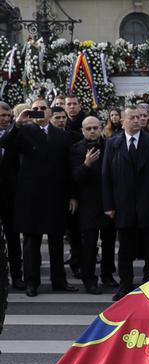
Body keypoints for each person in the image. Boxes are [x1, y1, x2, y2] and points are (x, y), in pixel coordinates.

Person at [1, 97, 78, 296]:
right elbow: (6, 145)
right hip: (30, 196)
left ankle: (59, 280)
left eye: (43, 108)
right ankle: (31, 282)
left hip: (55, 196)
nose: (39, 111)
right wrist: (18, 123)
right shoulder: (23, 132)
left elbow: (68, 167)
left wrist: (71, 195)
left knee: (56, 240)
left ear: (50, 112)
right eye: (35, 109)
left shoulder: (61, 135)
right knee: (31, 242)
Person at [101, 105, 149, 301]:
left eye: (140, 117)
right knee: (125, 249)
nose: (137, 120)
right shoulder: (113, 143)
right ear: (122, 120)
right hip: (123, 205)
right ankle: (125, 285)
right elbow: (106, 176)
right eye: (132, 117)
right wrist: (108, 205)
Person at [69, 116, 116, 294]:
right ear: (82, 130)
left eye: (95, 128)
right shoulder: (76, 149)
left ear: (101, 128)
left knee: (109, 240)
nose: (92, 131)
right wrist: (86, 164)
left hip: (108, 200)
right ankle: (89, 278)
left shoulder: (110, 145)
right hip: (88, 202)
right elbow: (74, 176)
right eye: (88, 128)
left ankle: (107, 274)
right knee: (88, 243)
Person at [0, 101, 24, 290]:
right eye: (2, 116)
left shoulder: (15, 134)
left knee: (13, 239)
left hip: (11, 196)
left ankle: (17, 276)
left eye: (8, 116)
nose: (6, 119)